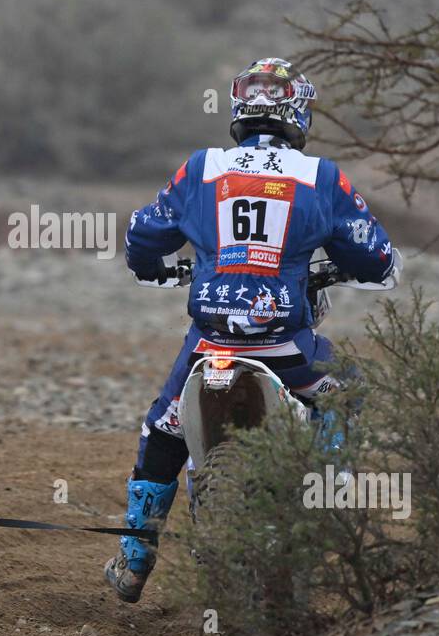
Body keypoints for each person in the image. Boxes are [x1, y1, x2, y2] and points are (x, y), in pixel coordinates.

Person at [104, 57, 401, 603]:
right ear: (299, 111)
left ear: (240, 107)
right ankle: (326, 515)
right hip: (287, 346)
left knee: (163, 430)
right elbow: (376, 256)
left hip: (209, 343)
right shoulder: (322, 178)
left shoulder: (201, 169)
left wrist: (152, 268)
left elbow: (144, 236)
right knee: (348, 393)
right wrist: (355, 265)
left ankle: (135, 555)